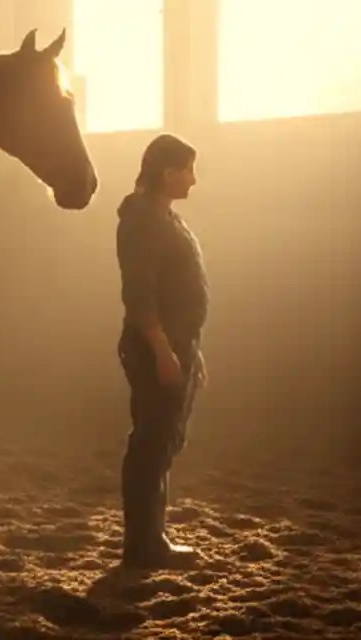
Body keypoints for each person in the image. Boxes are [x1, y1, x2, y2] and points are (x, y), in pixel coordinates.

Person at [115, 133, 209, 569]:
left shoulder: (161, 217)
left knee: (163, 440)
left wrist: (189, 350)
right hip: (158, 346)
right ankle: (144, 544)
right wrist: (163, 351)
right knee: (152, 441)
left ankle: (152, 538)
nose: (193, 179)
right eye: (188, 169)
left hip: (175, 343)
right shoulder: (143, 222)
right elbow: (140, 294)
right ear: (168, 172)